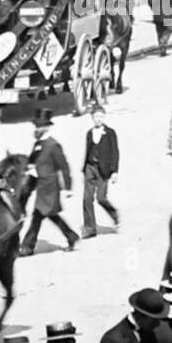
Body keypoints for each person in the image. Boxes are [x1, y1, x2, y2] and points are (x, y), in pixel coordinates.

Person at [22, 119, 78, 253]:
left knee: (38, 215)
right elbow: (32, 161)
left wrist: (68, 187)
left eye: (39, 126)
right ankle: (72, 237)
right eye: (36, 126)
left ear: (46, 128)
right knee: (51, 215)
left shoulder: (53, 145)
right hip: (41, 186)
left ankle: (27, 247)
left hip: (50, 188)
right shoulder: (38, 144)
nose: (36, 129)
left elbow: (64, 167)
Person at [81, 104, 120, 239]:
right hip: (90, 168)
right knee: (87, 199)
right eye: (96, 116)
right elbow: (88, 151)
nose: (98, 119)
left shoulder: (110, 133)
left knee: (101, 198)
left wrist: (114, 171)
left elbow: (115, 152)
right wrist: (84, 169)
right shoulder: (89, 133)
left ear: (104, 117)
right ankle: (90, 229)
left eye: (101, 116)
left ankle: (114, 214)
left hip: (103, 169)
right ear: (92, 118)